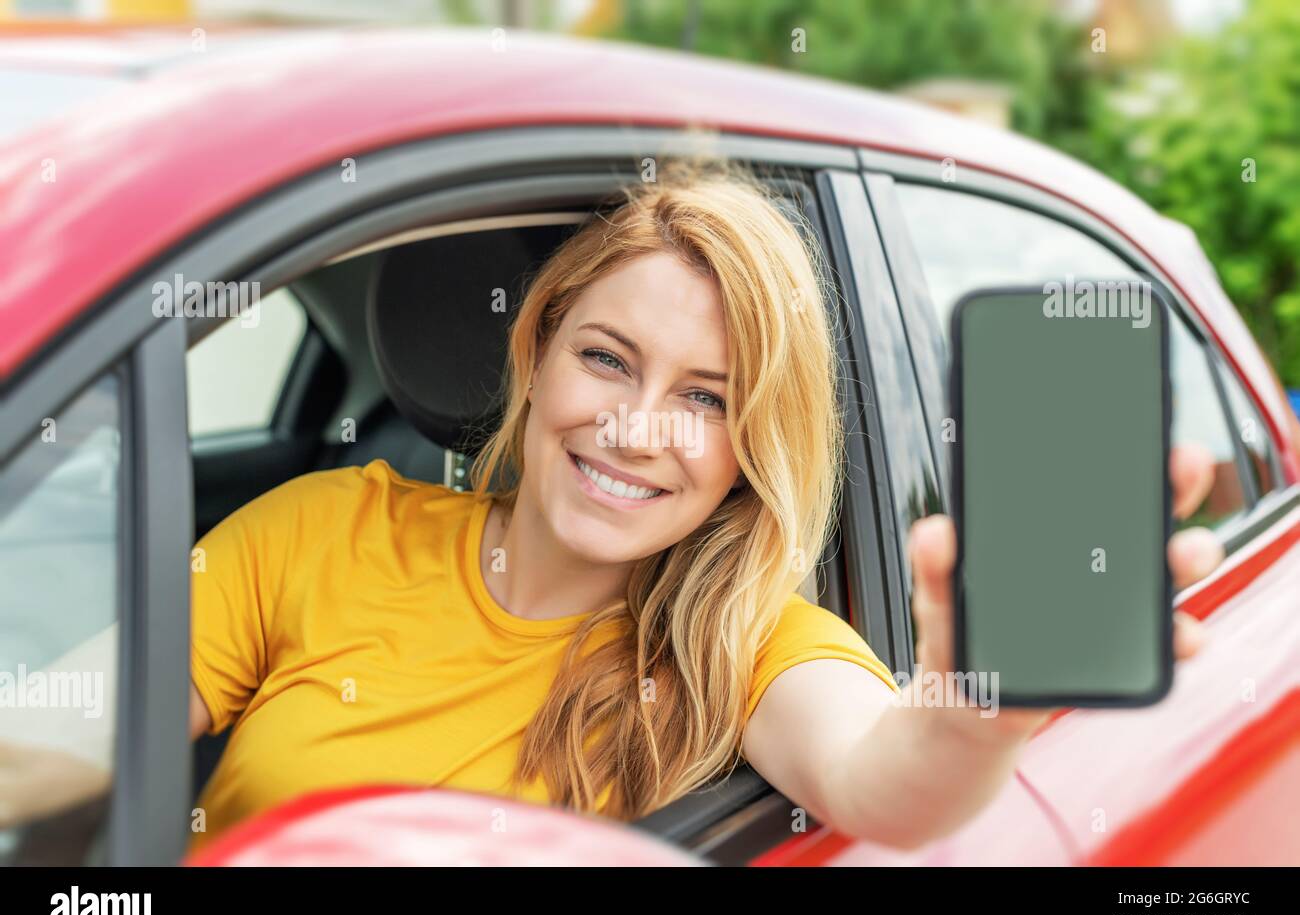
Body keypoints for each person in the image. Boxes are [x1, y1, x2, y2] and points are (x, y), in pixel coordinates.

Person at [4, 159, 1224, 857]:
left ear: (752, 448)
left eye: (706, 396)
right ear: (535, 353)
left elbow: (878, 781)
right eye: (606, 358)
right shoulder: (324, 527)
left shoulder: (740, 638)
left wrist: (973, 708)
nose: (636, 427)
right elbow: (49, 736)